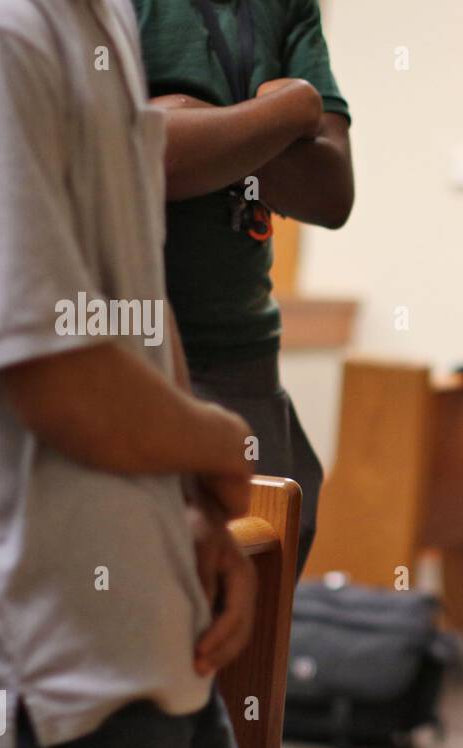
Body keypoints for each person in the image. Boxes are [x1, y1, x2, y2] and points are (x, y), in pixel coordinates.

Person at [0, 0, 265, 748]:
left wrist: (187, 497)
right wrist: (220, 444)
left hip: (140, 620)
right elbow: (57, 378)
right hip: (41, 653)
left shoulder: (97, 11)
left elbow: (126, 282)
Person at [132, 0, 355, 575]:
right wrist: (290, 110)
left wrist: (201, 125)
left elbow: (332, 192)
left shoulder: (287, 7)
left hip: (250, 366)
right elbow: (144, 159)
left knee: (257, 630)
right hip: (138, 357)